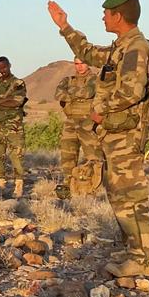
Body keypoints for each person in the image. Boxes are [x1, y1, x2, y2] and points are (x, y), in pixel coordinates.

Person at [48, 0, 149, 278]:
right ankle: (132, 250)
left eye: (106, 13)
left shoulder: (136, 48)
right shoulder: (121, 47)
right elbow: (87, 53)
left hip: (127, 134)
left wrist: (99, 111)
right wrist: (64, 26)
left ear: (118, 15)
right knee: (118, 194)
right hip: (115, 133)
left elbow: (132, 92)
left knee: (129, 196)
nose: (103, 17)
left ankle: (142, 261)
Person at [54, 59, 99, 199]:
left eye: (82, 63)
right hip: (70, 121)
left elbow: (89, 93)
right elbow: (58, 94)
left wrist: (71, 95)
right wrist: (77, 94)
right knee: (68, 156)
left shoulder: (96, 79)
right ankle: (69, 186)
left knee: (92, 157)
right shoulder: (67, 80)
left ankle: (92, 188)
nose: (80, 67)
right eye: (77, 64)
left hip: (88, 121)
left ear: (88, 64)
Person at [0, 56, 28, 197]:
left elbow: (16, 102)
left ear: (10, 65)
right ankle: (1, 185)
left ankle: (19, 186)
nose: (2, 70)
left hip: (14, 126)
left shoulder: (18, 83)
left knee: (17, 156)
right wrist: (5, 100)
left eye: (4, 67)